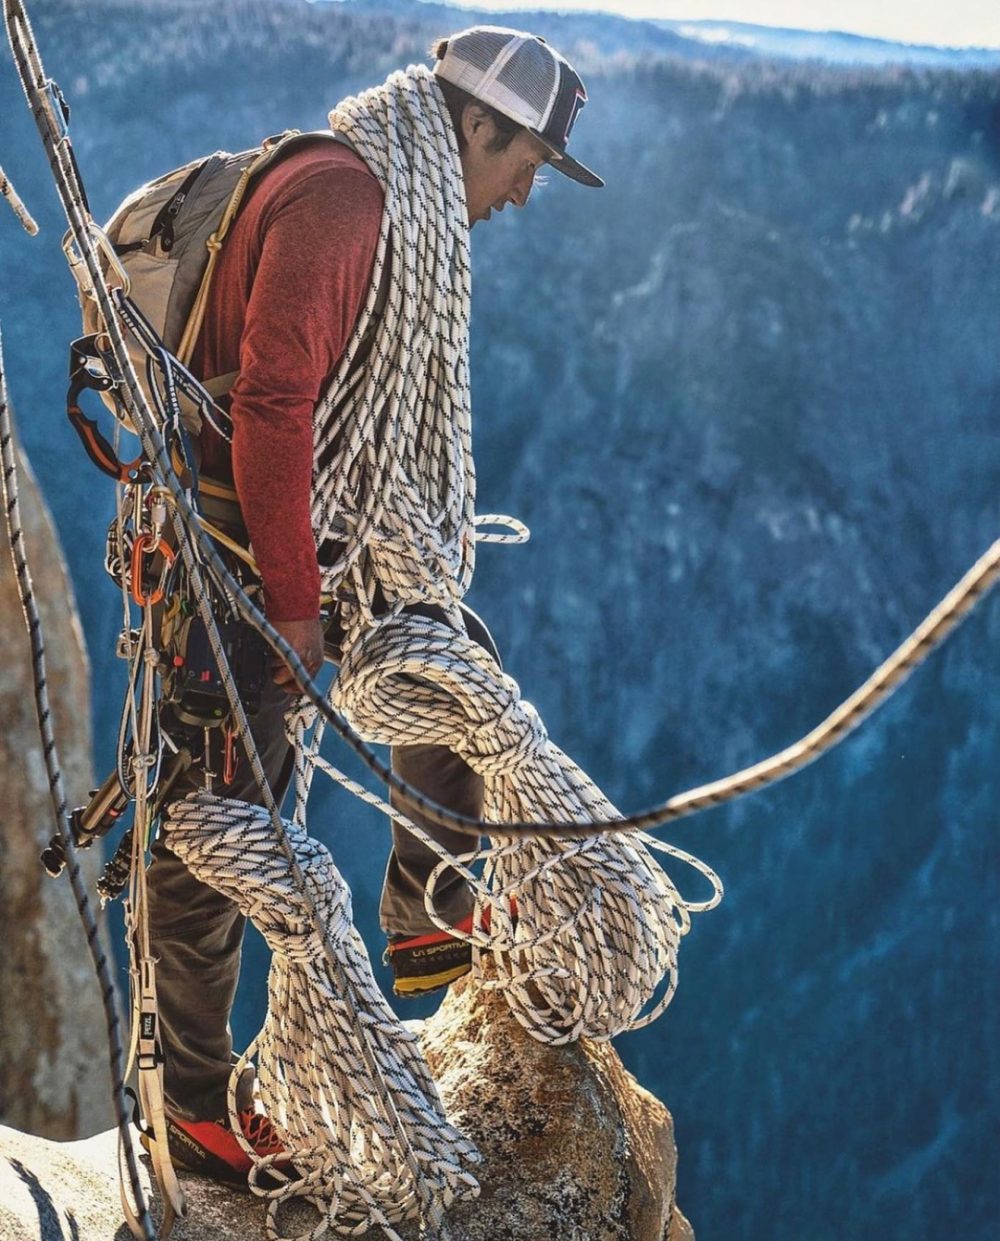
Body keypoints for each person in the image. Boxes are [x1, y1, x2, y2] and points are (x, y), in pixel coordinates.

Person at [143, 25, 603, 1184]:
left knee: (443, 659)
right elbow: (276, 405)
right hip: (232, 551)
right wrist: (296, 602)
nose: (526, 191)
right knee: (219, 820)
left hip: (290, 526)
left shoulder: (373, 190)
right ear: (475, 126)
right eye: (527, 162)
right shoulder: (348, 201)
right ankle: (192, 1105)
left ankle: (428, 914)